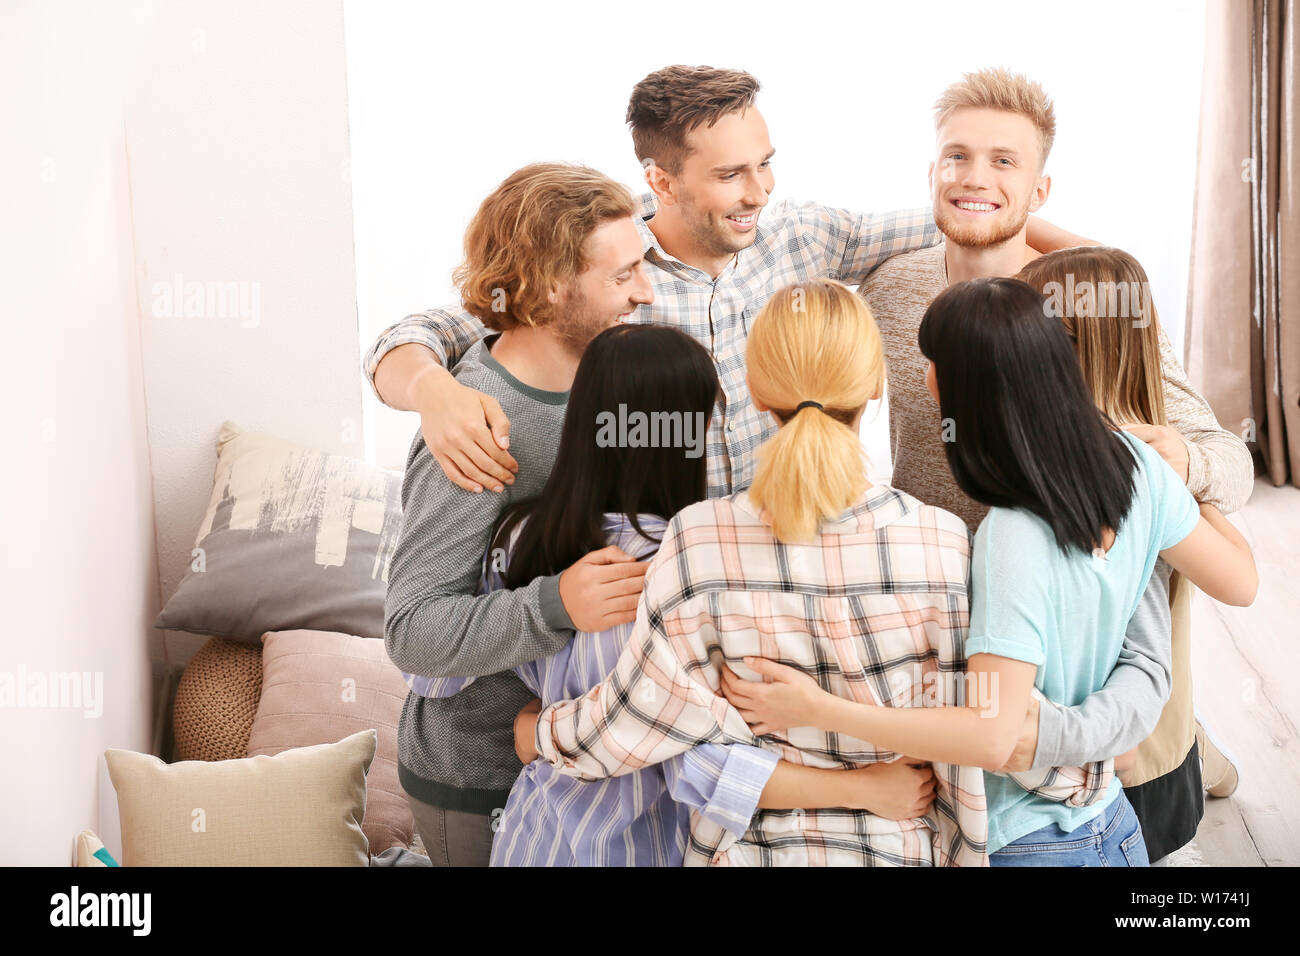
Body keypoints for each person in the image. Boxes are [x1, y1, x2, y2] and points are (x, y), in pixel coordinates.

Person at [515, 279, 1106, 866]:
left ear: (754, 389)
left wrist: (539, 735)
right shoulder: (943, 540)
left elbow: (640, 714)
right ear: (877, 385)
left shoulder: (699, 539)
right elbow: (987, 718)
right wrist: (1086, 767)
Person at [719, 277, 1258, 866]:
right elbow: (1241, 583)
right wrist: (1179, 481)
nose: (922, 375)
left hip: (1027, 842)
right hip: (1111, 821)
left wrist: (818, 710)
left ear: (965, 391)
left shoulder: (1012, 538)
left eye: (933, 360)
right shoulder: (1137, 468)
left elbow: (993, 735)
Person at [859, 66, 1252, 802]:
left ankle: (1184, 742)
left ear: (1041, 191)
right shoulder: (889, 287)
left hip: (1081, 610)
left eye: (1004, 161)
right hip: (955, 595)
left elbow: (1230, 461)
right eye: (958, 156)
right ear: (931, 170)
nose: (975, 177)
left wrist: (1181, 458)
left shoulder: (1096, 305)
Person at [407, 323, 941, 865]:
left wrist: (539, 674)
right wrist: (867, 788)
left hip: (537, 834)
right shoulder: (691, 562)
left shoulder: (519, 535)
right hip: (651, 845)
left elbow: (431, 672)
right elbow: (699, 761)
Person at [1014, 246, 1226, 860]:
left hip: (1111, 769)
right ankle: (1214, 762)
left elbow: (1238, 580)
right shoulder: (1149, 452)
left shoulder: (1121, 464)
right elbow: (1240, 578)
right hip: (1131, 747)